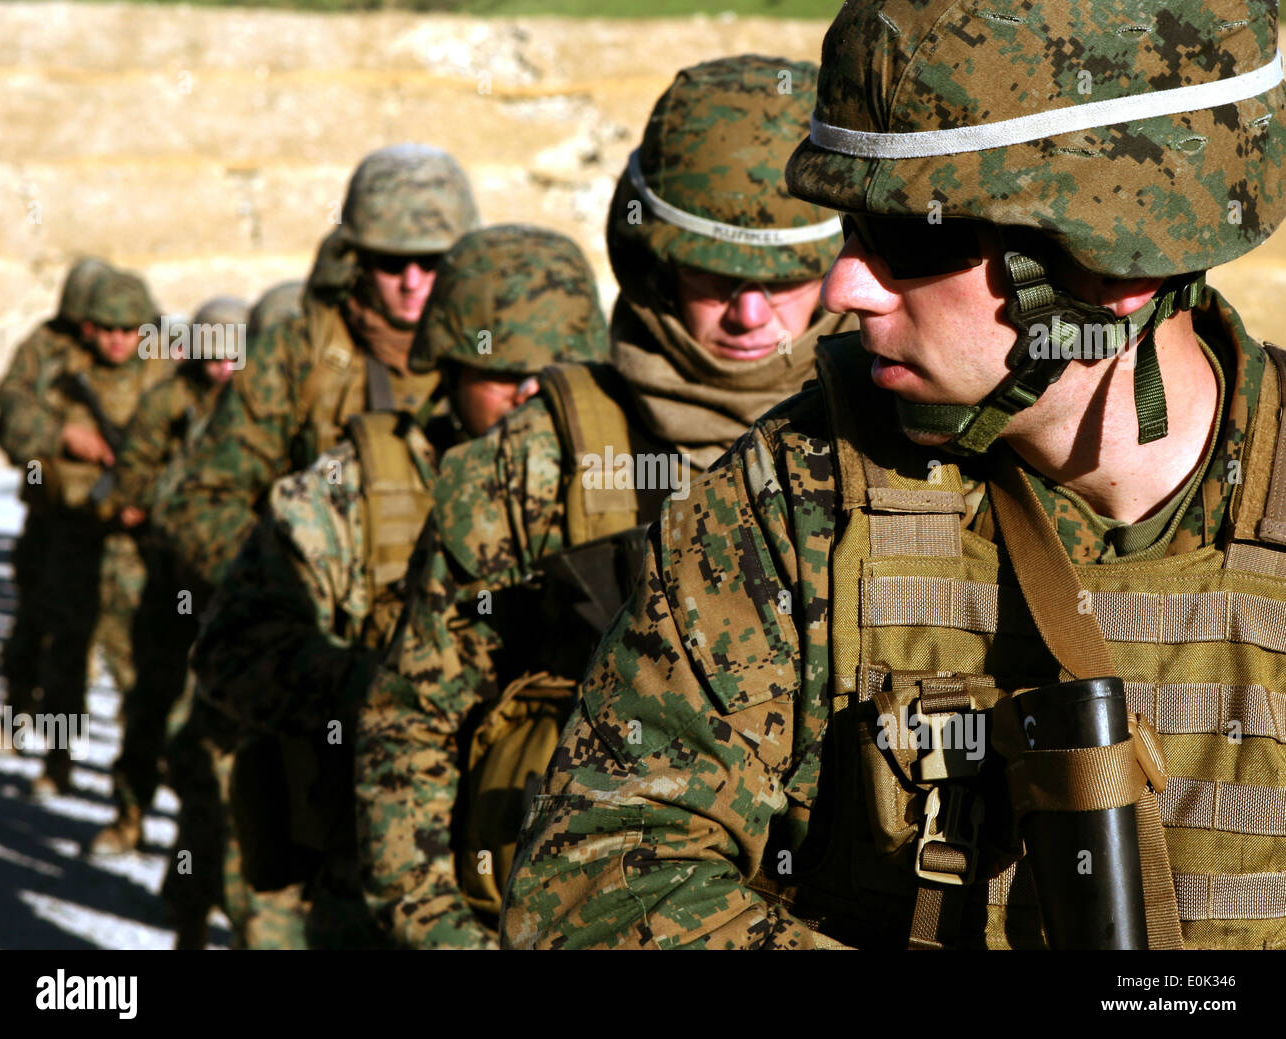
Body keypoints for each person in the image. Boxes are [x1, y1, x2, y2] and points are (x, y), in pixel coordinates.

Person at [503, 0, 1286, 951]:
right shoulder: (799, 497)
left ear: (1106, 262)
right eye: (849, 231)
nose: (845, 287)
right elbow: (590, 879)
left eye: (908, 240)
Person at [354, 54, 855, 948]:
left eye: (783, 281)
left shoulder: (893, 444)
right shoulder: (532, 465)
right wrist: (444, 936)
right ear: (654, 264)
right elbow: (411, 735)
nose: (750, 315)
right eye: (713, 277)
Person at [190, 224, 610, 948]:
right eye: (504, 374)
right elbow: (232, 650)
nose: (532, 397)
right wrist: (392, 691)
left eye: (558, 375)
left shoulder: (617, 483)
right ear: (447, 365)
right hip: (380, 891)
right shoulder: (355, 486)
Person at [160, 144, 479, 949]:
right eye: (390, 263)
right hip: (307, 678)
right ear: (356, 257)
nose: (413, 284)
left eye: (433, 262)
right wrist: (294, 576)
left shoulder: (489, 350)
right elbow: (200, 500)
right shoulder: (300, 353)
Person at [89, 296, 246, 857]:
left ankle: (204, 842)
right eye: (213, 356)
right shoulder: (167, 402)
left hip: (232, 582)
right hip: (166, 578)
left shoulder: (259, 406)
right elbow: (130, 487)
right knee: (150, 701)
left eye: (234, 357)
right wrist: (178, 495)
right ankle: (130, 815)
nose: (222, 369)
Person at [25, 268, 167, 797]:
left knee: (138, 666)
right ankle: (57, 761)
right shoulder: (61, 369)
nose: (116, 339)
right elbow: (14, 424)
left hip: (137, 548)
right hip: (73, 535)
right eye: (105, 327)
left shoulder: (166, 375)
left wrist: (146, 501)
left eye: (128, 329)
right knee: (65, 657)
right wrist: (61, 434)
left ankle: (135, 787)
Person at [0, 257, 112, 732]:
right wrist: (62, 435)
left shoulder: (130, 342)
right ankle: (21, 713)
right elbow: (12, 416)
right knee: (34, 621)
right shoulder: (42, 349)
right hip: (50, 510)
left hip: (110, 509)